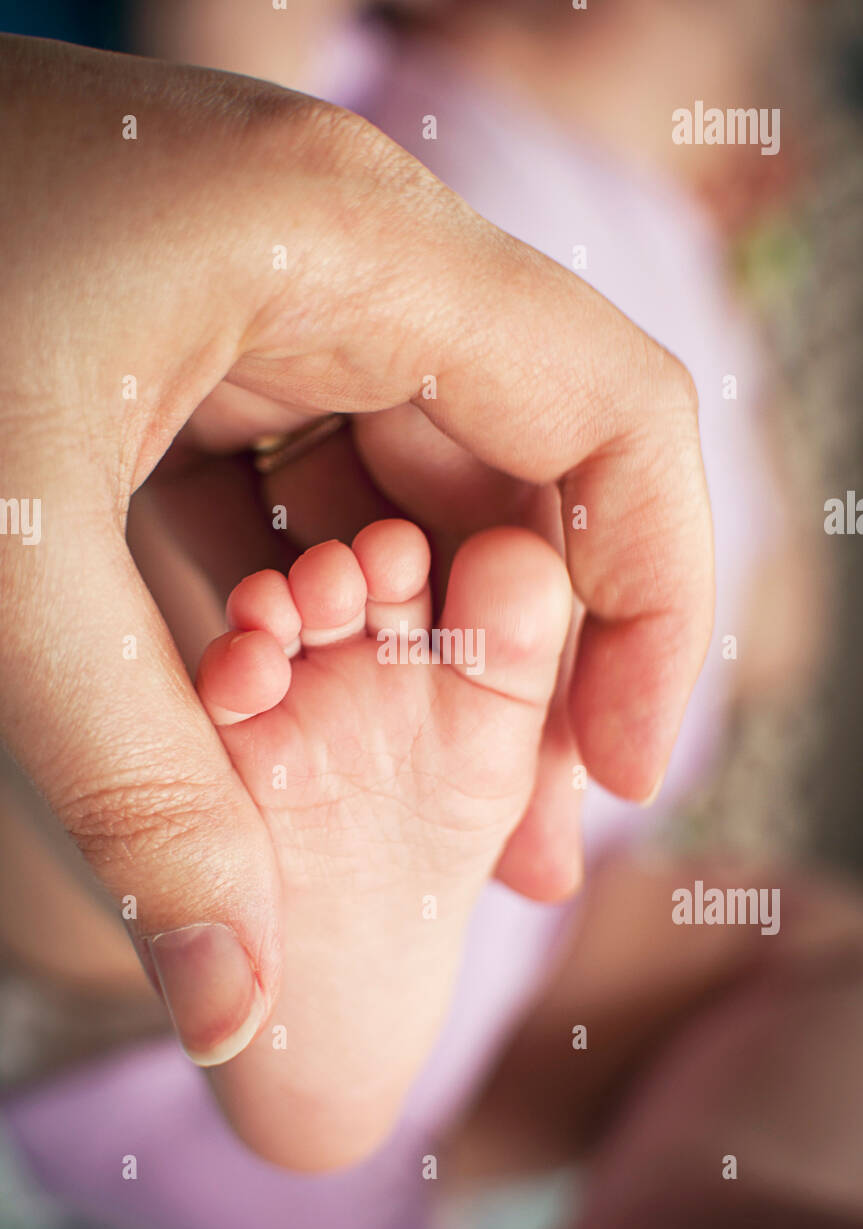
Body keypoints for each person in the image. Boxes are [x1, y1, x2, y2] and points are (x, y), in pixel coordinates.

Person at [0, 32, 712, 1168]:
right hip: (494, 748)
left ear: (752, 176)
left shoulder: (674, 229)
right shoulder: (377, 98)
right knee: (168, 583)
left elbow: (781, 628)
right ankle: (308, 989)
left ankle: (298, 968)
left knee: (168, 611)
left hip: (533, 809)